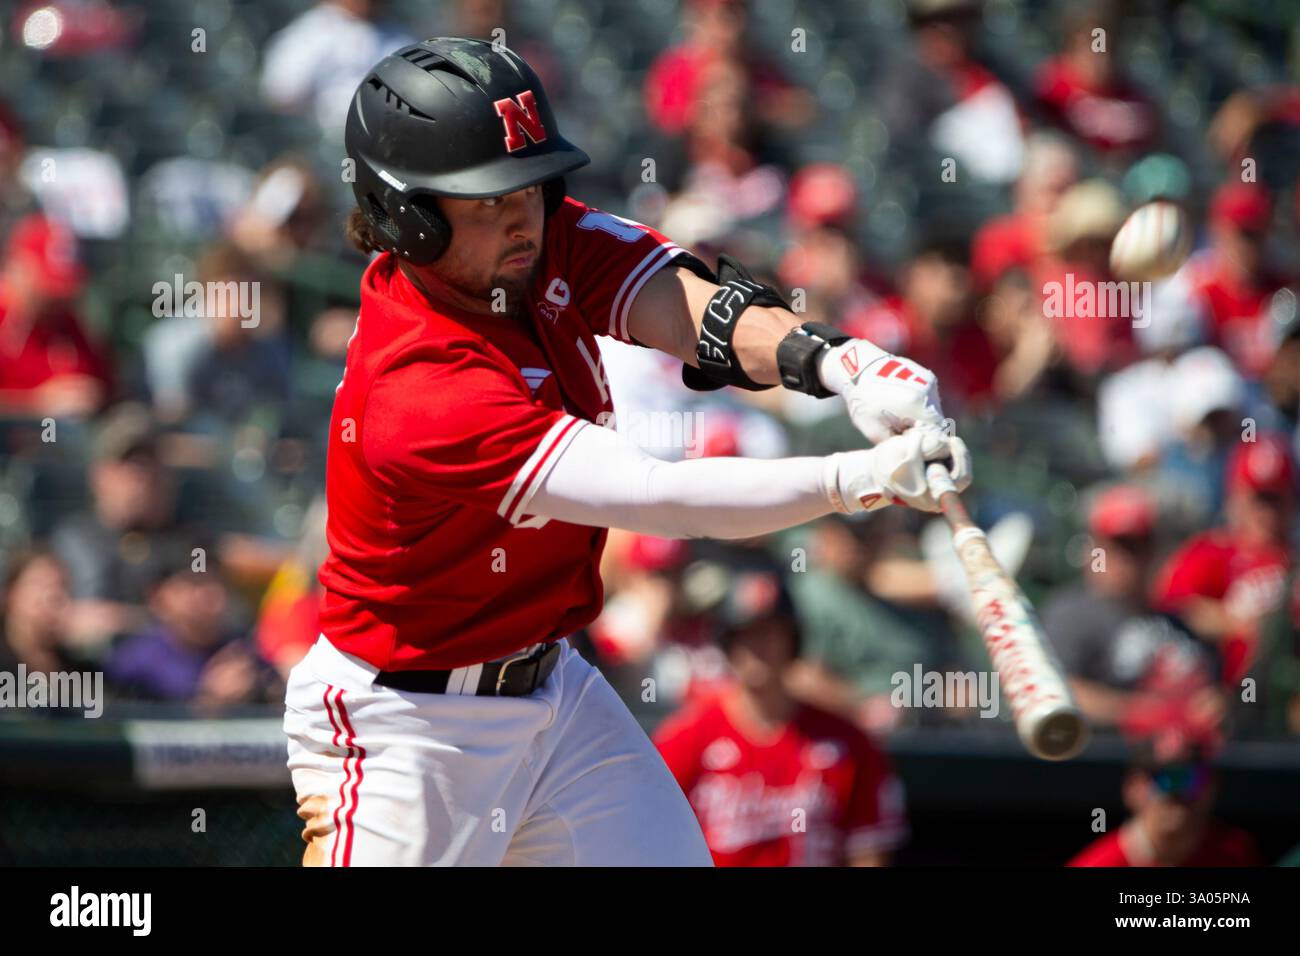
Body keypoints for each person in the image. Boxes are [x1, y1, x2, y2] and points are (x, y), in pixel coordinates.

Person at [284, 37, 972, 867]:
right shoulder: (417, 382)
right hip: (413, 726)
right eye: (486, 197)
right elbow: (657, 497)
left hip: (554, 689)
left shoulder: (535, 243)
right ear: (408, 215)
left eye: (532, 187)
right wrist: (857, 479)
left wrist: (843, 363)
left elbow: (696, 312)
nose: (521, 212)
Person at [653, 568, 909, 866]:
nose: (759, 648)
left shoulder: (847, 742)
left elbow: (867, 854)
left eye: (771, 633)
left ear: (793, 642)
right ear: (727, 643)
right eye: (746, 634)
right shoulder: (687, 737)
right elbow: (648, 836)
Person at [1041, 485, 1220, 734]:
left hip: (1187, 756)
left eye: (1138, 546)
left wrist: (1215, 703)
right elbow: (1056, 690)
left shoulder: (1179, 618)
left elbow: (1213, 683)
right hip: (1109, 757)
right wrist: (1139, 712)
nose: (1127, 558)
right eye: (1118, 545)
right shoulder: (1073, 614)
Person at [1067, 733, 1260, 867]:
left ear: (1211, 787)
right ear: (1131, 788)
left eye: (1190, 777)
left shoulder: (1239, 855)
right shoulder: (1096, 865)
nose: (1176, 792)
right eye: (1160, 776)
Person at [0, 215, 111, 418]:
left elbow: (104, 381)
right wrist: (35, 404)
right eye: (48, 286)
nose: (57, 298)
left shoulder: (67, 324)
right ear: (19, 268)